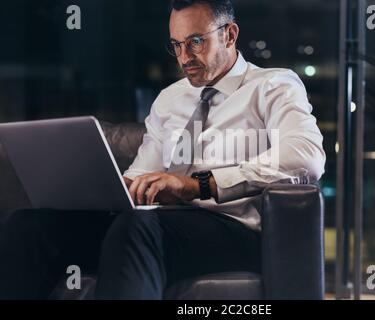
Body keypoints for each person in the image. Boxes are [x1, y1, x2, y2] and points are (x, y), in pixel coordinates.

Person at [0, 0, 325, 299]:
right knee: (30, 226)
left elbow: (305, 156)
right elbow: (143, 170)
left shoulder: (273, 86)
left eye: (196, 41)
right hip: (160, 225)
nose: (184, 57)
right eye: (176, 45)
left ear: (229, 35)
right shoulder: (170, 99)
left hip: (234, 229)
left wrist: (197, 184)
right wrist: (116, 188)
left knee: (136, 229)